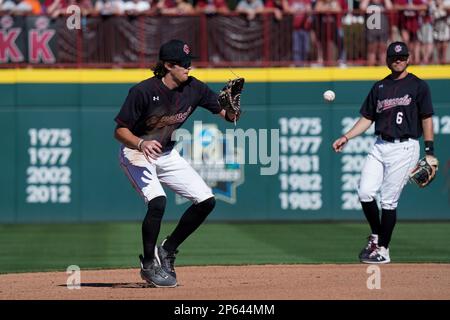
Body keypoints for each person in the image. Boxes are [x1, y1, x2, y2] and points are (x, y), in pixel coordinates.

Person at [114, 39, 239, 287]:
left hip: (167, 153)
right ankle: (149, 263)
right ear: (168, 65)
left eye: (189, 63)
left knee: (206, 200)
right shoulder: (142, 91)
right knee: (158, 201)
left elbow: (229, 117)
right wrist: (140, 143)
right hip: (136, 153)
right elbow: (120, 131)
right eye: (183, 64)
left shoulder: (195, 88)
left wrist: (233, 105)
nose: (188, 68)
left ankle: (168, 249)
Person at [332, 41, 437, 264]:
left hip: (405, 147)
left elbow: (426, 118)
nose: (398, 60)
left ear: (409, 59)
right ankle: (377, 236)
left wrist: (429, 151)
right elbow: (367, 118)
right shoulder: (379, 87)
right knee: (365, 192)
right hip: (380, 145)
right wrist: (346, 137)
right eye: (394, 57)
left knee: (388, 202)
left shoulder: (419, 86)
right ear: (387, 60)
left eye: (402, 57)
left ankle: (383, 250)